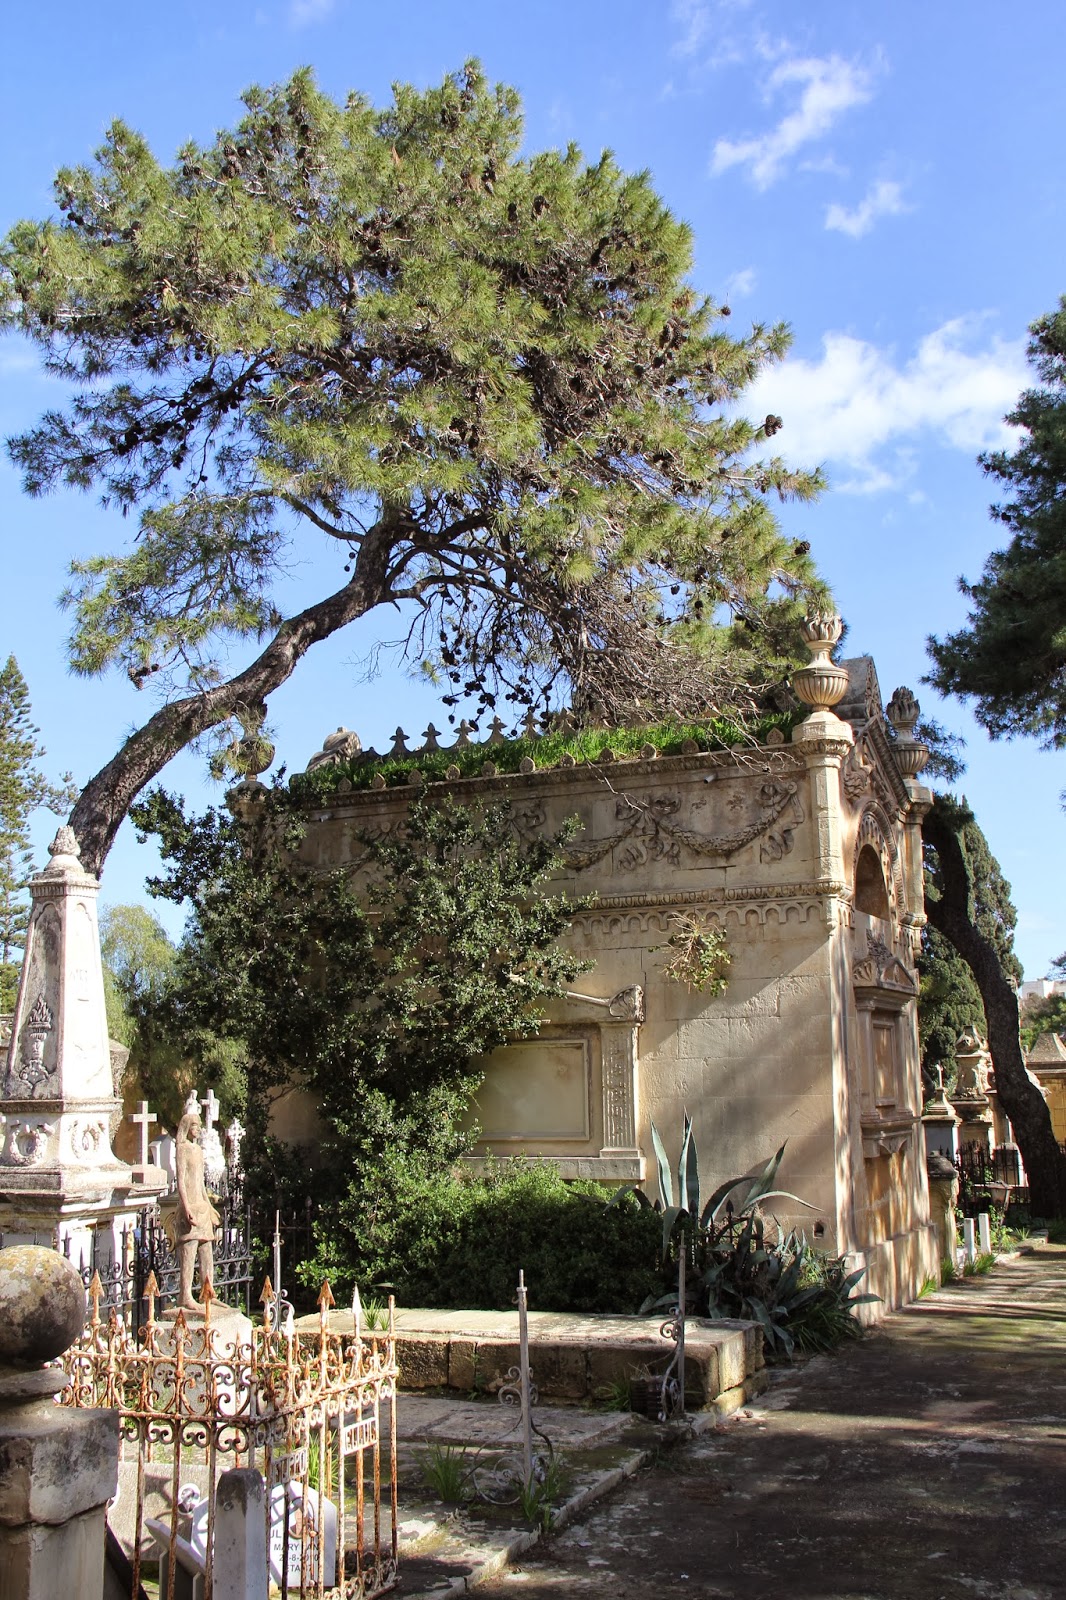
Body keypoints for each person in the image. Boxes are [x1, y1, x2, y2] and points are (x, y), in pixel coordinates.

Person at [175, 1112, 221, 1310]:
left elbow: (200, 1182)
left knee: (206, 1250)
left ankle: (207, 1292)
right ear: (187, 1127)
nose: (198, 1129)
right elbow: (181, 1181)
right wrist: (186, 1207)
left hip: (201, 1205)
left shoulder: (198, 1150)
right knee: (189, 1250)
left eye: (199, 1125)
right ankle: (185, 1295)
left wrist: (209, 1206)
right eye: (194, 1125)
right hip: (189, 1205)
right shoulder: (182, 1149)